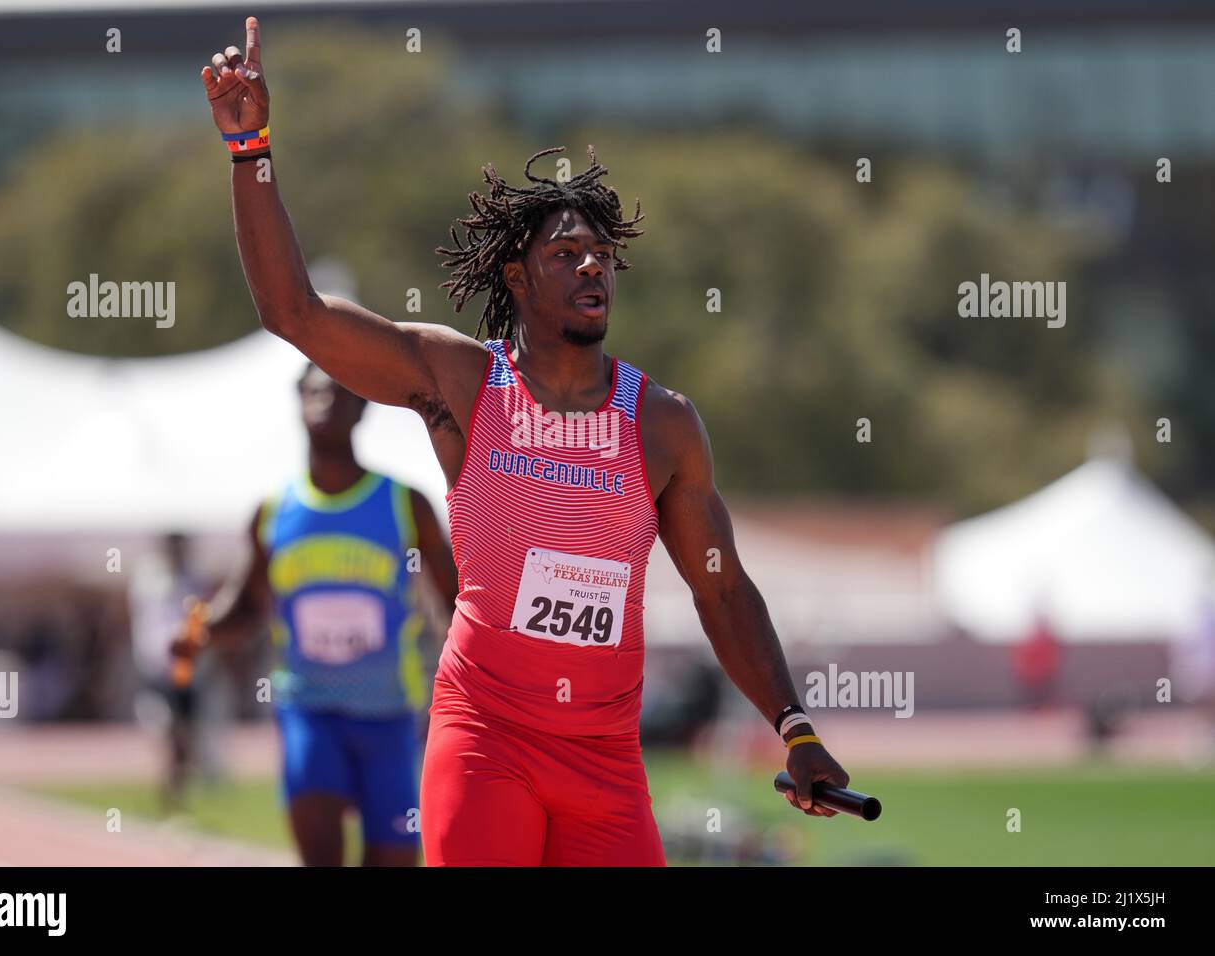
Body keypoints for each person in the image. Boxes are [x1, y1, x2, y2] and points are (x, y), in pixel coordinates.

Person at [200, 16, 850, 866]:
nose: (591, 268)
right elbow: (295, 313)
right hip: (486, 740)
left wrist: (793, 726)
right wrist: (250, 144)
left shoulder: (662, 425)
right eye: (567, 253)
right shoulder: (461, 383)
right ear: (516, 277)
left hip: (604, 760)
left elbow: (720, 590)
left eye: (602, 257)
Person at [174, 364, 457, 866]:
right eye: (315, 388)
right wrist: (200, 630)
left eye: (341, 389)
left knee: (392, 860)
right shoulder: (274, 511)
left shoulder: (404, 504)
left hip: (389, 714)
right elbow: (243, 607)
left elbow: (459, 600)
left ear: (363, 405)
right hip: (310, 709)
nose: (326, 395)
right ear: (298, 400)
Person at [129, 531, 208, 810]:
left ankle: (177, 791)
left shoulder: (194, 580)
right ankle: (169, 791)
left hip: (185, 670)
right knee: (165, 730)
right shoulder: (148, 578)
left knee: (186, 735)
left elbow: (201, 620)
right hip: (155, 668)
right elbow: (141, 620)